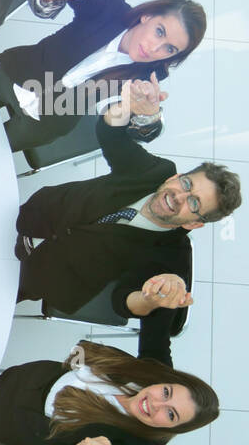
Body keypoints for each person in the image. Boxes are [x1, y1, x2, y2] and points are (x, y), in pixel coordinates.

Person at [16, 87, 241, 319]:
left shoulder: (171, 256)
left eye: (194, 203)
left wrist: (150, 299)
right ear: (175, 178)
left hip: (40, 278)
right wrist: (129, 107)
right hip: (30, 216)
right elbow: (110, 134)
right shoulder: (155, 171)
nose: (179, 197)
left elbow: (123, 302)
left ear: (194, 224)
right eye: (186, 184)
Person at [0, 330, 218, 445]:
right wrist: (168, 284)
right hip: (21, 376)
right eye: (166, 392)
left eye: (170, 414)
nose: (156, 403)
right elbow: (158, 318)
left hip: (8, 416)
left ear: (172, 429)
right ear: (167, 381)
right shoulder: (154, 371)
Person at [0, 0, 206, 151]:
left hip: (45, 123)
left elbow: (131, 130)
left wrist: (146, 114)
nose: (153, 49)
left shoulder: (147, 77)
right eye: (159, 32)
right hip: (16, 75)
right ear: (147, 16)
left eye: (169, 49)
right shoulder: (112, 10)